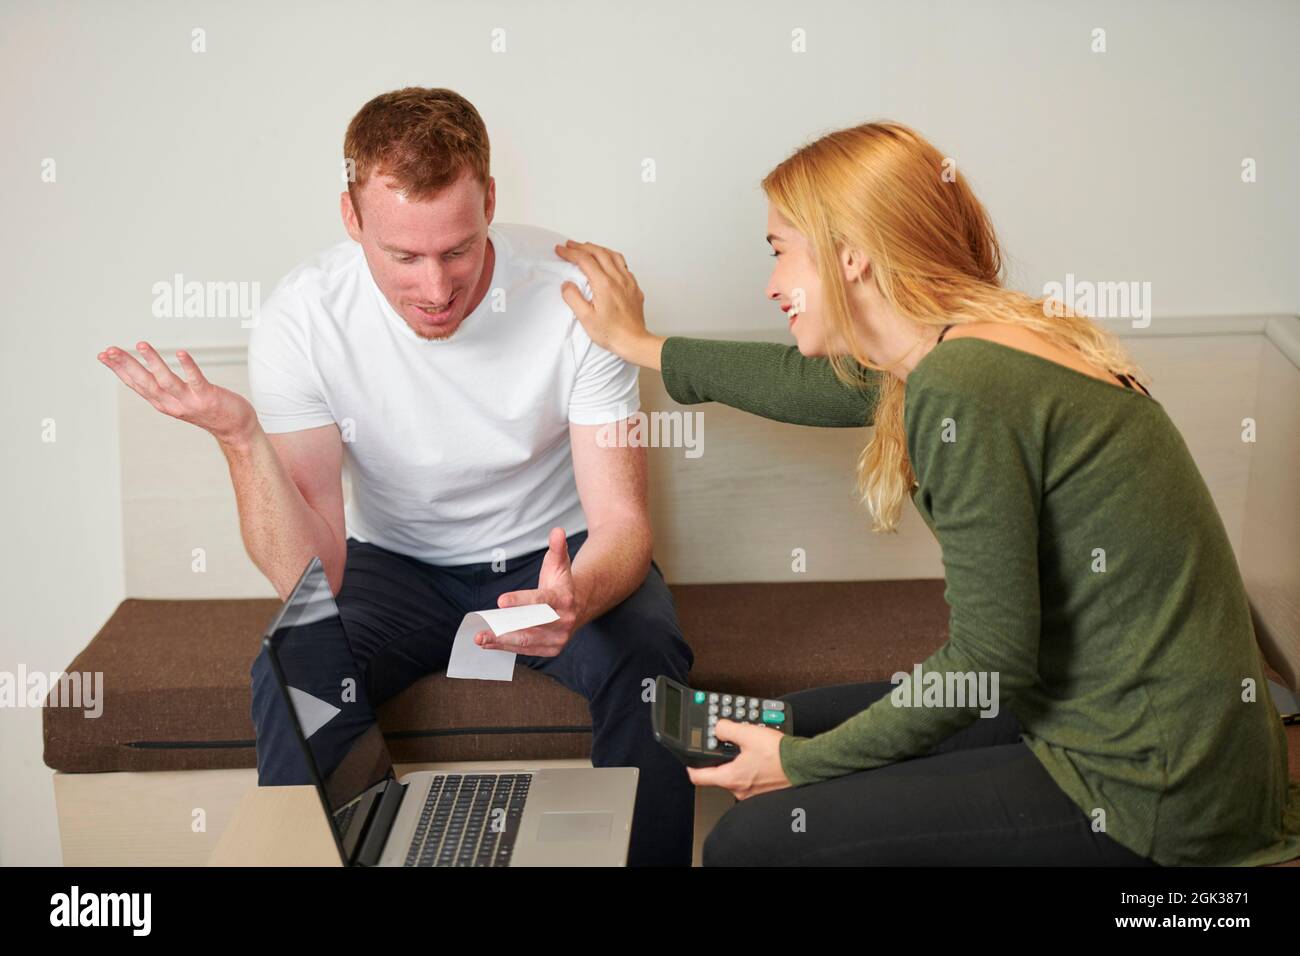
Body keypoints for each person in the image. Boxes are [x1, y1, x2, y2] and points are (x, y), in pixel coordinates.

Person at [554, 121, 1300, 866]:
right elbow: (806, 383)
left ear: (852, 256)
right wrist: (640, 345)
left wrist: (801, 767)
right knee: (791, 719)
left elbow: (989, 660)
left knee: (752, 842)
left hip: (1152, 782)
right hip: (1101, 715)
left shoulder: (962, 385)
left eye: (780, 252)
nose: (772, 284)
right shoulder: (972, 341)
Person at [96, 87, 695, 867]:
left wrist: (573, 595)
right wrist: (242, 439)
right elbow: (308, 575)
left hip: (555, 556)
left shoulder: (577, 298)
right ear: (352, 219)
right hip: (394, 570)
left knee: (648, 666)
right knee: (293, 661)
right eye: (403, 257)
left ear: (489, 202)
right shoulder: (302, 318)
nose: (437, 290)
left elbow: (622, 525)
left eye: (457, 250)